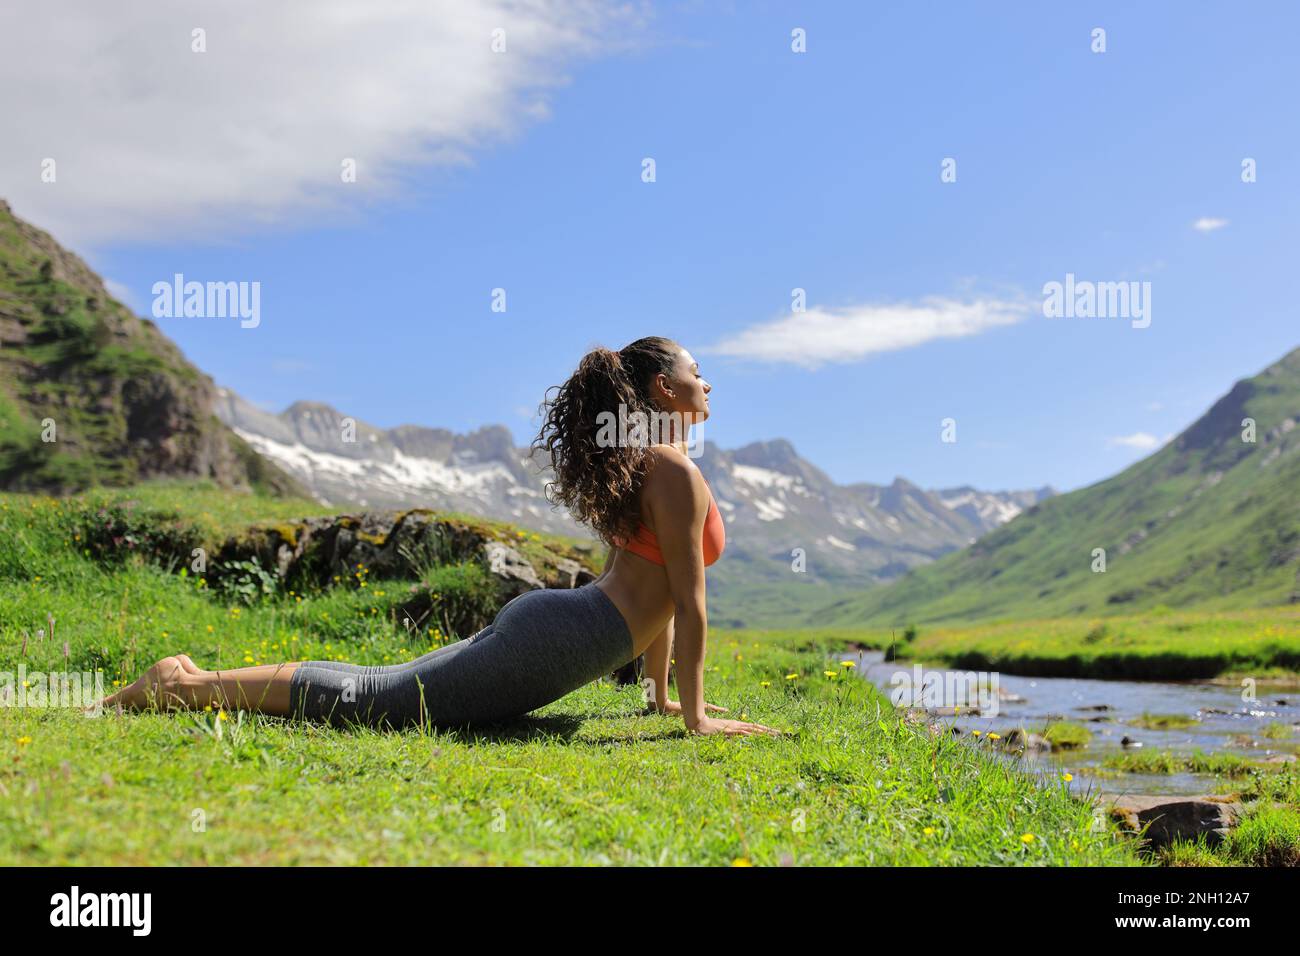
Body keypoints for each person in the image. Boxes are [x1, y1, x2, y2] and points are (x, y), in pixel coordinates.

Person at [99, 336, 782, 738]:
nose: (707, 381)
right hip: (565, 637)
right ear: (665, 389)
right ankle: (182, 689)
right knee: (382, 704)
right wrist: (694, 717)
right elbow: (687, 603)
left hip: (565, 627)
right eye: (697, 373)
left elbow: (654, 588)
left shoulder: (653, 463)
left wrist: (660, 697)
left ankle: (189, 678)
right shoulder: (670, 472)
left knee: (384, 684)